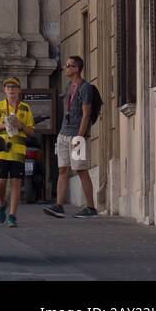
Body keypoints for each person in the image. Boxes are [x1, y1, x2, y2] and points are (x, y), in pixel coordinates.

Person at [44, 55, 98, 218]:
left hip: (76, 135)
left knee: (81, 170)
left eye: (69, 66)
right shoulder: (69, 86)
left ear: (76, 69)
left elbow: (86, 114)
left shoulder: (85, 88)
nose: (65, 68)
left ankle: (91, 207)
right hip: (63, 134)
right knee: (62, 169)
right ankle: (59, 206)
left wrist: (79, 137)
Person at [0, 77, 35, 228]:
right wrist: (4, 124)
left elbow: (31, 131)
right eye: (8, 86)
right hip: (2, 149)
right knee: (0, 182)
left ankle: (12, 215)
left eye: (14, 87)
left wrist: (21, 126)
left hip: (18, 149)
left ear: (19, 89)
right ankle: (2, 203)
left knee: (16, 182)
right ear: (4, 90)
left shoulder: (25, 108)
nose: (11, 89)